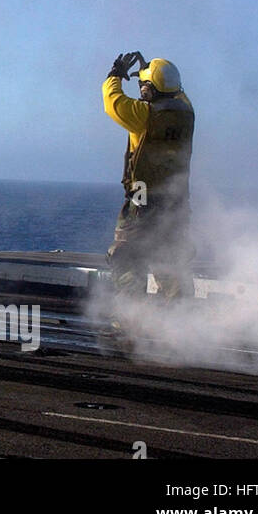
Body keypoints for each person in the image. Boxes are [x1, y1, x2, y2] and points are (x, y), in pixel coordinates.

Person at [102, 54, 196, 323]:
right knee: (171, 261)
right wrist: (152, 75)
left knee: (127, 258)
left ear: (147, 90)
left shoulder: (144, 116)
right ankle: (183, 325)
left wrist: (115, 75)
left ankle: (132, 322)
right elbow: (174, 91)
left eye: (143, 88)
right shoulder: (186, 113)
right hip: (176, 202)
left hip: (143, 201)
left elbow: (113, 103)